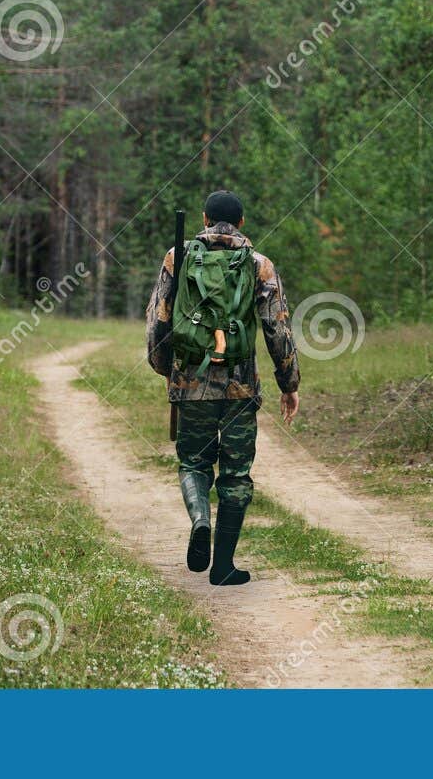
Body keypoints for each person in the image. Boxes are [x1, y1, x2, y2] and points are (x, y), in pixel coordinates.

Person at [146, 190, 300, 585]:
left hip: (190, 381)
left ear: (204, 218)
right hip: (239, 387)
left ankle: (200, 519)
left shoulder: (176, 257)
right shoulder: (259, 265)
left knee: (193, 462)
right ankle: (224, 566)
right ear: (242, 223)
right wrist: (289, 383)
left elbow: (159, 319)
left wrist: (166, 369)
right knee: (236, 475)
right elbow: (276, 327)